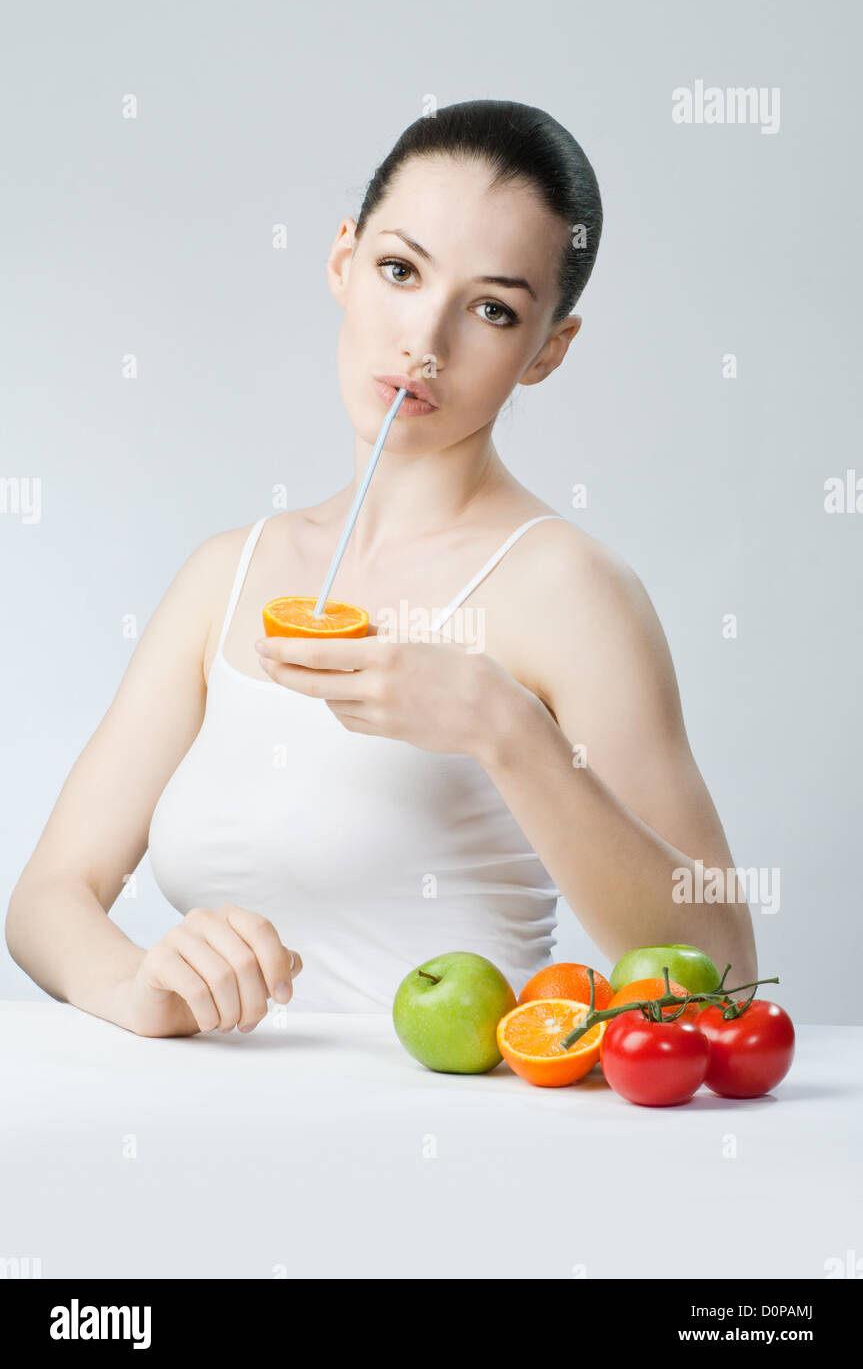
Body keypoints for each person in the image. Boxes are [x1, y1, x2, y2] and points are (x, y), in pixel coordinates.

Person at [6, 99, 757, 1036]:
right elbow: (49, 896)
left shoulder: (570, 590)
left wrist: (506, 730)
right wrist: (136, 986)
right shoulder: (226, 575)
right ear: (341, 261)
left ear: (547, 351)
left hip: (460, 1142)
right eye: (400, 270)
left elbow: (719, 975)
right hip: (202, 1145)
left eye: (492, 308)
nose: (425, 344)